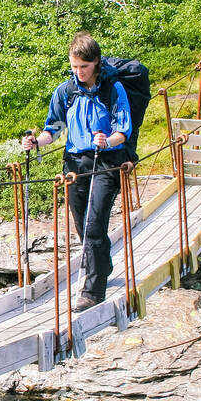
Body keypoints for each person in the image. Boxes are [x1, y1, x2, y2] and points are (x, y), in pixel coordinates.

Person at [22, 32, 134, 310]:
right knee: (82, 226)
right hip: (74, 163)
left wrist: (108, 140)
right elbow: (55, 129)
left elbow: (124, 129)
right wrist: (36, 141)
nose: (79, 72)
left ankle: (92, 291)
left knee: (95, 225)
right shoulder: (65, 91)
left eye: (83, 67)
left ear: (95, 62)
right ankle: (104, 266)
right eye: (74, 66)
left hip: (107, 161)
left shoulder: (113, 89)